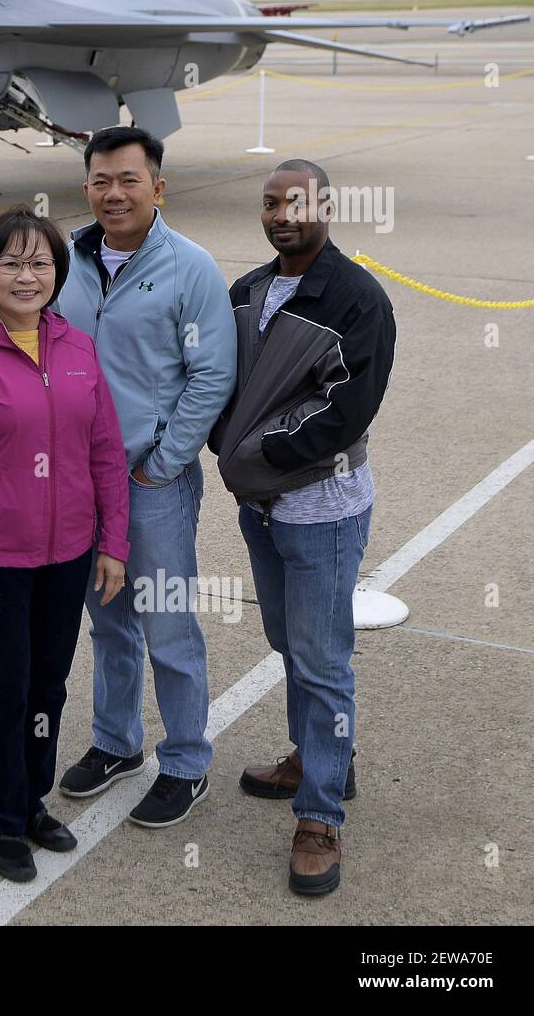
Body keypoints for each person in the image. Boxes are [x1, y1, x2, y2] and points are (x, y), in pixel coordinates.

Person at [0, 207, 130, 882]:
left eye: (39, 263)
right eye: (10, 263)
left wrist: (113, 543)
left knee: (49, 686)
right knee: (5, 690)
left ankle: (34, 799)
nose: (26, 275)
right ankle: (4, 821)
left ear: (56, 274)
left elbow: (104, 451)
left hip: (68, 555)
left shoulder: (75, 348)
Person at [209, 159, 395, 895]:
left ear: (326, 205)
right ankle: (317, 758)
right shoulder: (250, 289)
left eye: (298, 201)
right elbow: (222, 380)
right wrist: (228, 439)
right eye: (271, 202)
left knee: (323, 661)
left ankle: (321, 816)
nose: (283, 213)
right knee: (289, 643)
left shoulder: (356, 300)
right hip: (263, 509)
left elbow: (346, 411)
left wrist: (259, 455)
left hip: (324, 510)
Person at [54, 126, 236, 827]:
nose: (113, 193)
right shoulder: (66, 260)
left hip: (150, 484)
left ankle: (186, 761)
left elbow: (212, 373)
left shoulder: (190, 268)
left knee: (168, 626)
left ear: (158, 187)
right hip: (81, 484)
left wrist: (164, 462)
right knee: (108, 622)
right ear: (87, 188)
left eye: (128, 180)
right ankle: (116, 743)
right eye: (101, 180)